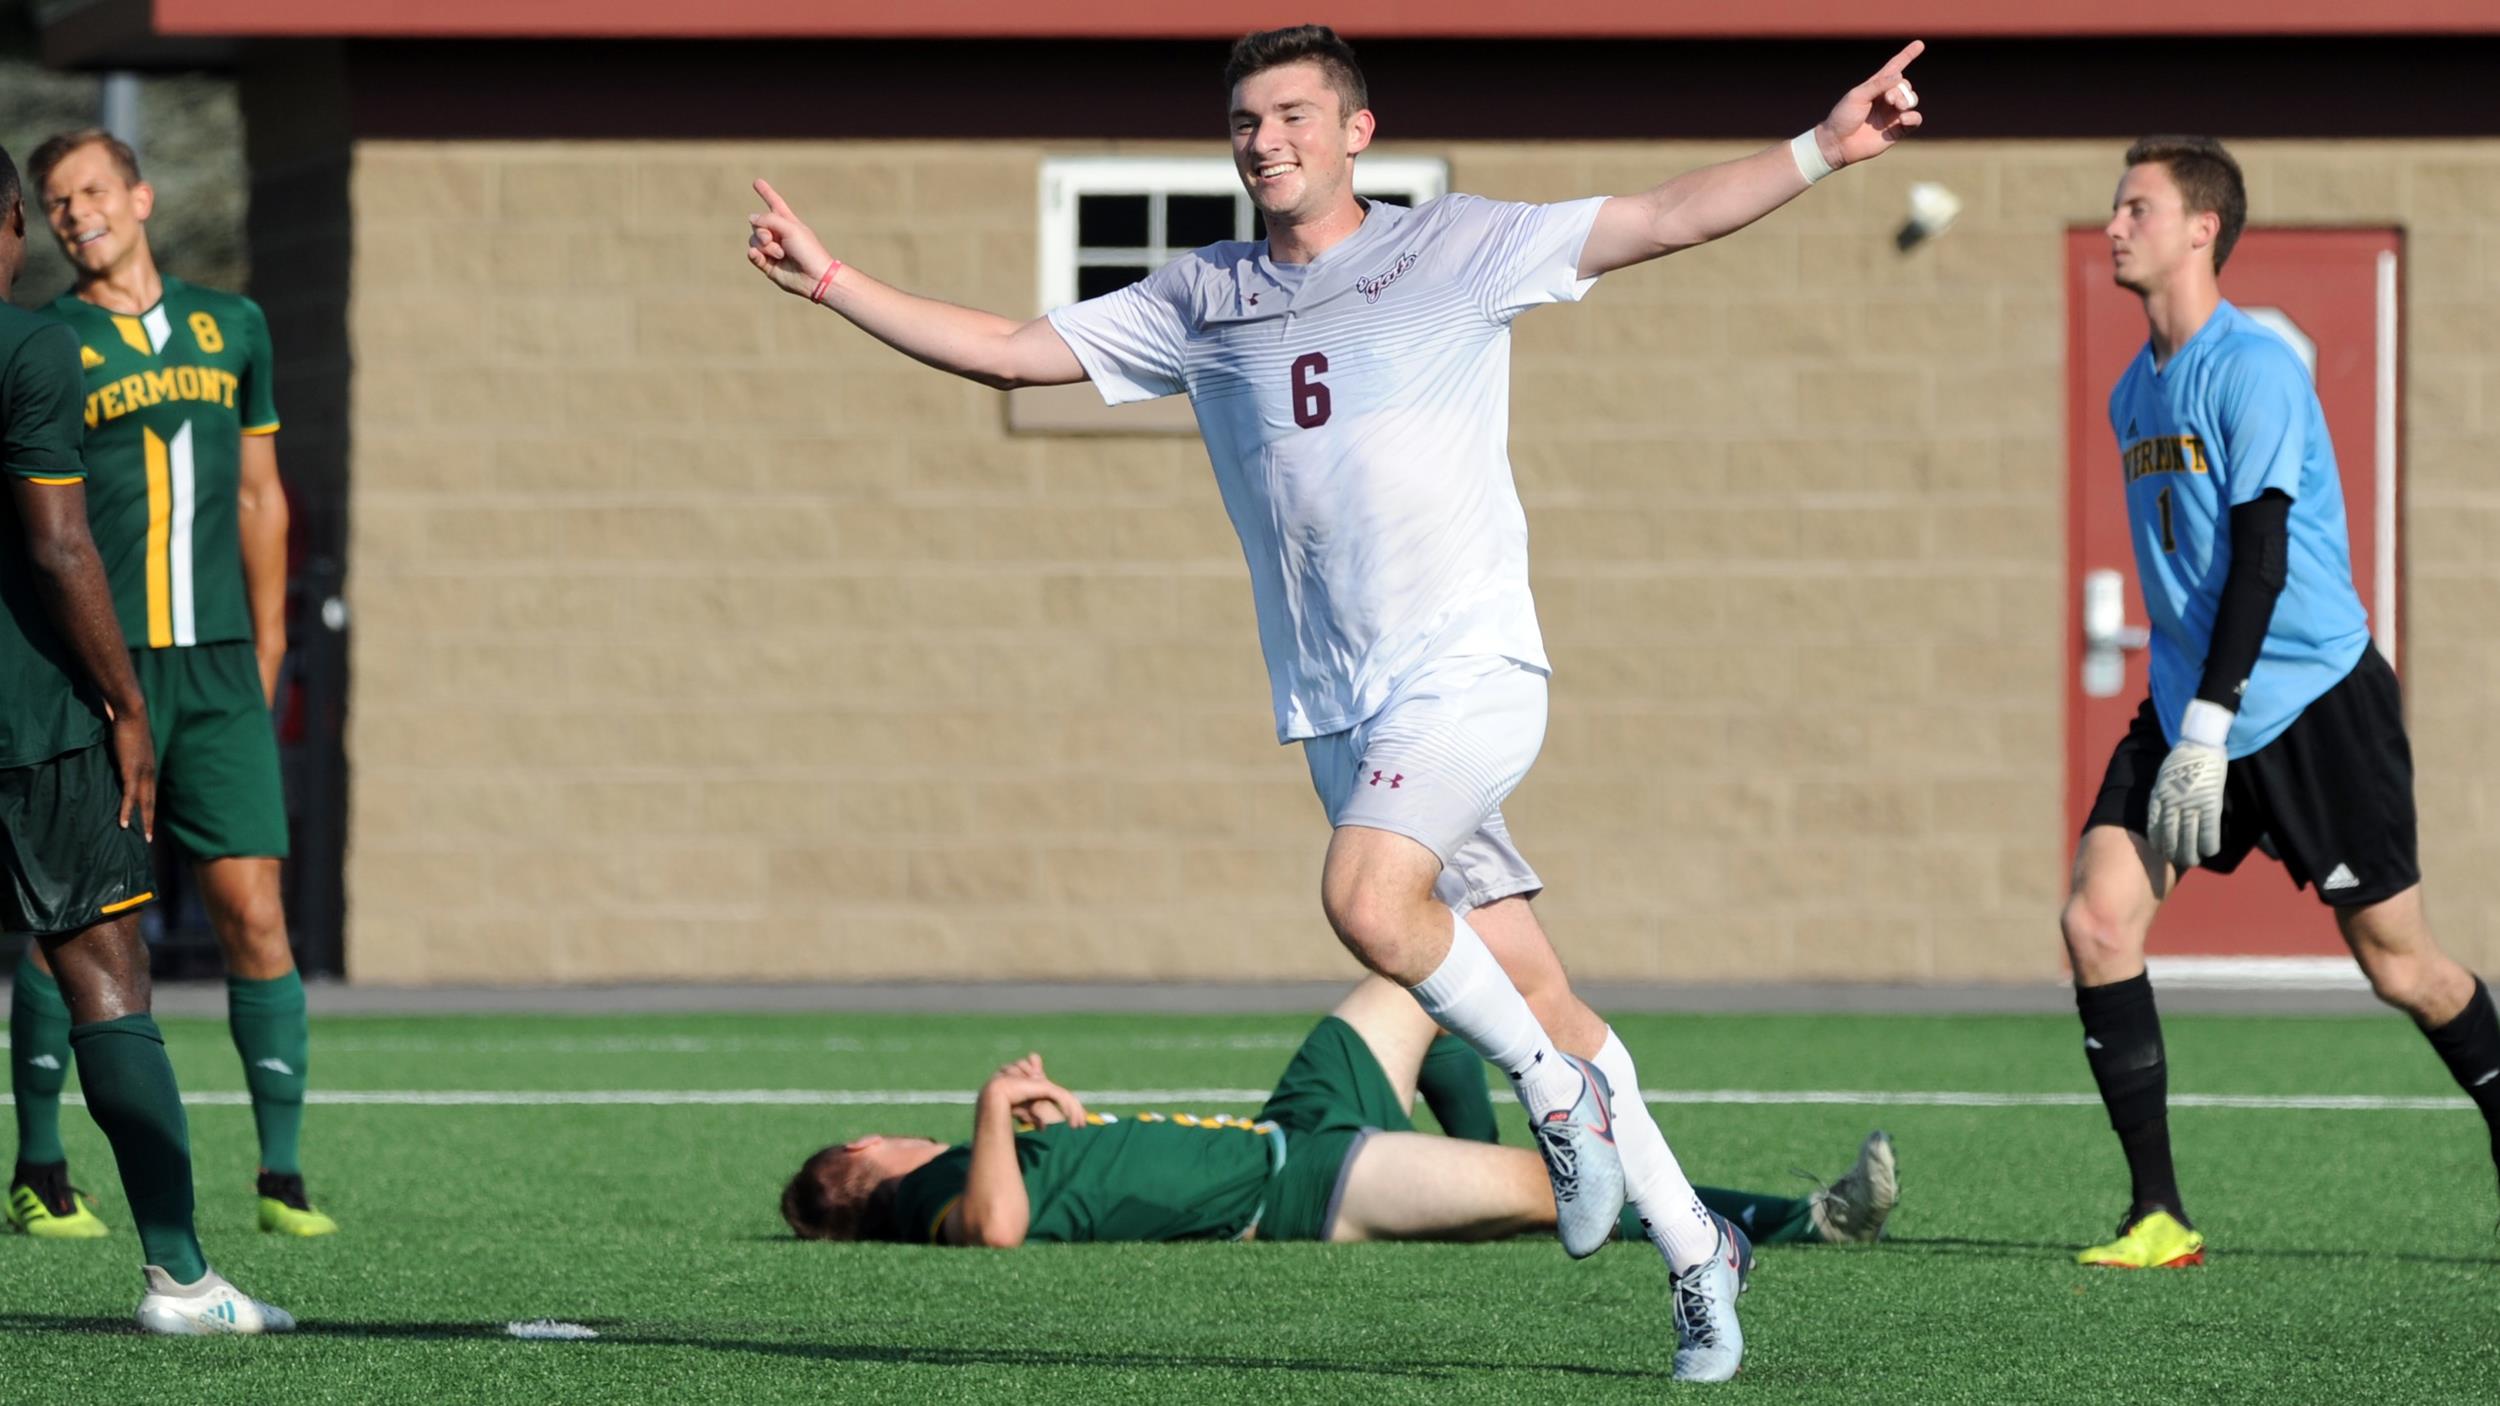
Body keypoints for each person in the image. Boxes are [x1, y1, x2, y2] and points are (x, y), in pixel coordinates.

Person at [746, 25, 1924, 1379]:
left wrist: (1824, 149)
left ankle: (1558, 1111)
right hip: (1346, 719)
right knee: (1541, 992)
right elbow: (1013, 353)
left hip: (1471, 674)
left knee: (1368, 905)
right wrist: (835, 281)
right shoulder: (1205, 295)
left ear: (1358, 131)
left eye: (1295, 113)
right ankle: (1695, 1246)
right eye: (1247, 119)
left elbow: (1658, 217)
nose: (1268, 138)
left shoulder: (1453, 247)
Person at [2064, 135, 2500, 1270]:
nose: (2114, 226)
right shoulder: (2130, 391)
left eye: (2137, 208)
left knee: (2398, 962)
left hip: (2308, 696)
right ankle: (2155, 1213)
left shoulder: (2250, 366)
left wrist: (2206, 729)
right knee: (2097, 920)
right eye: (2115, 209)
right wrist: (2183, 719)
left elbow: (2258, 558)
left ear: (2201, 228)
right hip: (2185, 701)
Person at [6, 128, 334, 1241]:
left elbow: (259, 495)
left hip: (221, 665)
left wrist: (273, 637)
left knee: (253, 907)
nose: (75, 211)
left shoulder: (230, 325)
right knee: (81, 915)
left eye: (92, 188)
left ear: (141, 194)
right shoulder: (47, 338)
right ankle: (41, 1164)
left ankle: (283, 1174)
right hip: (100, 666)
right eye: (53, 200)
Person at [783, 975, 1898, 1258]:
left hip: (1296, 1121)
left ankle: (1466, 1165)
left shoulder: (974, 1170)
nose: (900, 1133)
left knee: (1426, 968)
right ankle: (1802, 1220)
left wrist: (1060, 1122)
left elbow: (1047, 1192)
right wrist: (989, 1103)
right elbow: (1001, 1229)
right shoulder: (919, 1193)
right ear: (864, 1158)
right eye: (881, 1135)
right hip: (1301, 1187)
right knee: (1561, 1184)